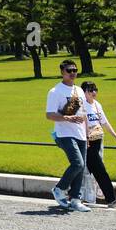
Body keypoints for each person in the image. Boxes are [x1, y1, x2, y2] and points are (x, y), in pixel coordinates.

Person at [46, 59, 91, 212]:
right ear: (62, 72)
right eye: (69, 70)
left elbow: (83, 114)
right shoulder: (55, 91)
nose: (73, 73)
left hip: (80, 134)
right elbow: (50, 115)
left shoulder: (79, 90)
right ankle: (59, 189)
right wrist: (67, 118)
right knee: (77, 163)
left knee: (82, 167)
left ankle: (75, 199)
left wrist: (87, 134)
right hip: (64, 133)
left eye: (75, 70)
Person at [81, 81, 116, 208]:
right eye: (90, 90)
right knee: (98, 171)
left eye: (95, 89)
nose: (94, 92)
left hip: (97, 142)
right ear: (84, 92)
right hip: (87, 143)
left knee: (88, 170)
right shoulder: (81, 105)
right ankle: (111, 199)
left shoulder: (97, 105)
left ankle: (74, 195)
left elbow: (105, 122)